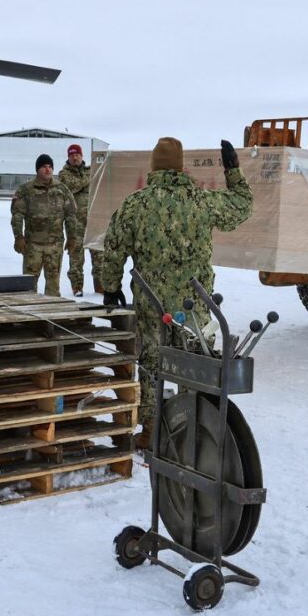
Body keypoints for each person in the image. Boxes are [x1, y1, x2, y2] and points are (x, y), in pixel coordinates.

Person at [97, 138, 253, 450]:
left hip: (152, 303)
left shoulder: (135, 204)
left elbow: (113, 247)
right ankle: (191, 429)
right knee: (193, 363)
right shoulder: (202, 201)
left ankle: (151, 429)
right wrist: (232, 169)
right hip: (193, 305)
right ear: (181, 167)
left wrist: (111, 287)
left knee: (152, 363)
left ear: (153, 167)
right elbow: (242, 206)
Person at [10, 153, 80, 296]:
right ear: (37, 170)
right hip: (33, 245)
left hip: (54, 246)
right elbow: (17, 215)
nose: (48, 170)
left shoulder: (62, 190)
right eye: (44, 167)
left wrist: (72, 237)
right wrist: (18, 237)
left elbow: (71, 215)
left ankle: (52, 314)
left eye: (50, 167)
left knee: (53, 286)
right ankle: (30, 315)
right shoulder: (26, 190)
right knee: (29, 284)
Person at [57, 143, 99, 295]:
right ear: (68, 157)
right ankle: (77, 287)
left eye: (77, 154)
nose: (75, 157)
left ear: (82, 156)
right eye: (72, 155)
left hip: (94, 221)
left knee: (99, 255)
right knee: (76, 257)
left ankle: (100, 286)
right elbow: (71, 187)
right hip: (75, 222)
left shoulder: (91, 170)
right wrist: (90, 179)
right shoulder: (64, 174)